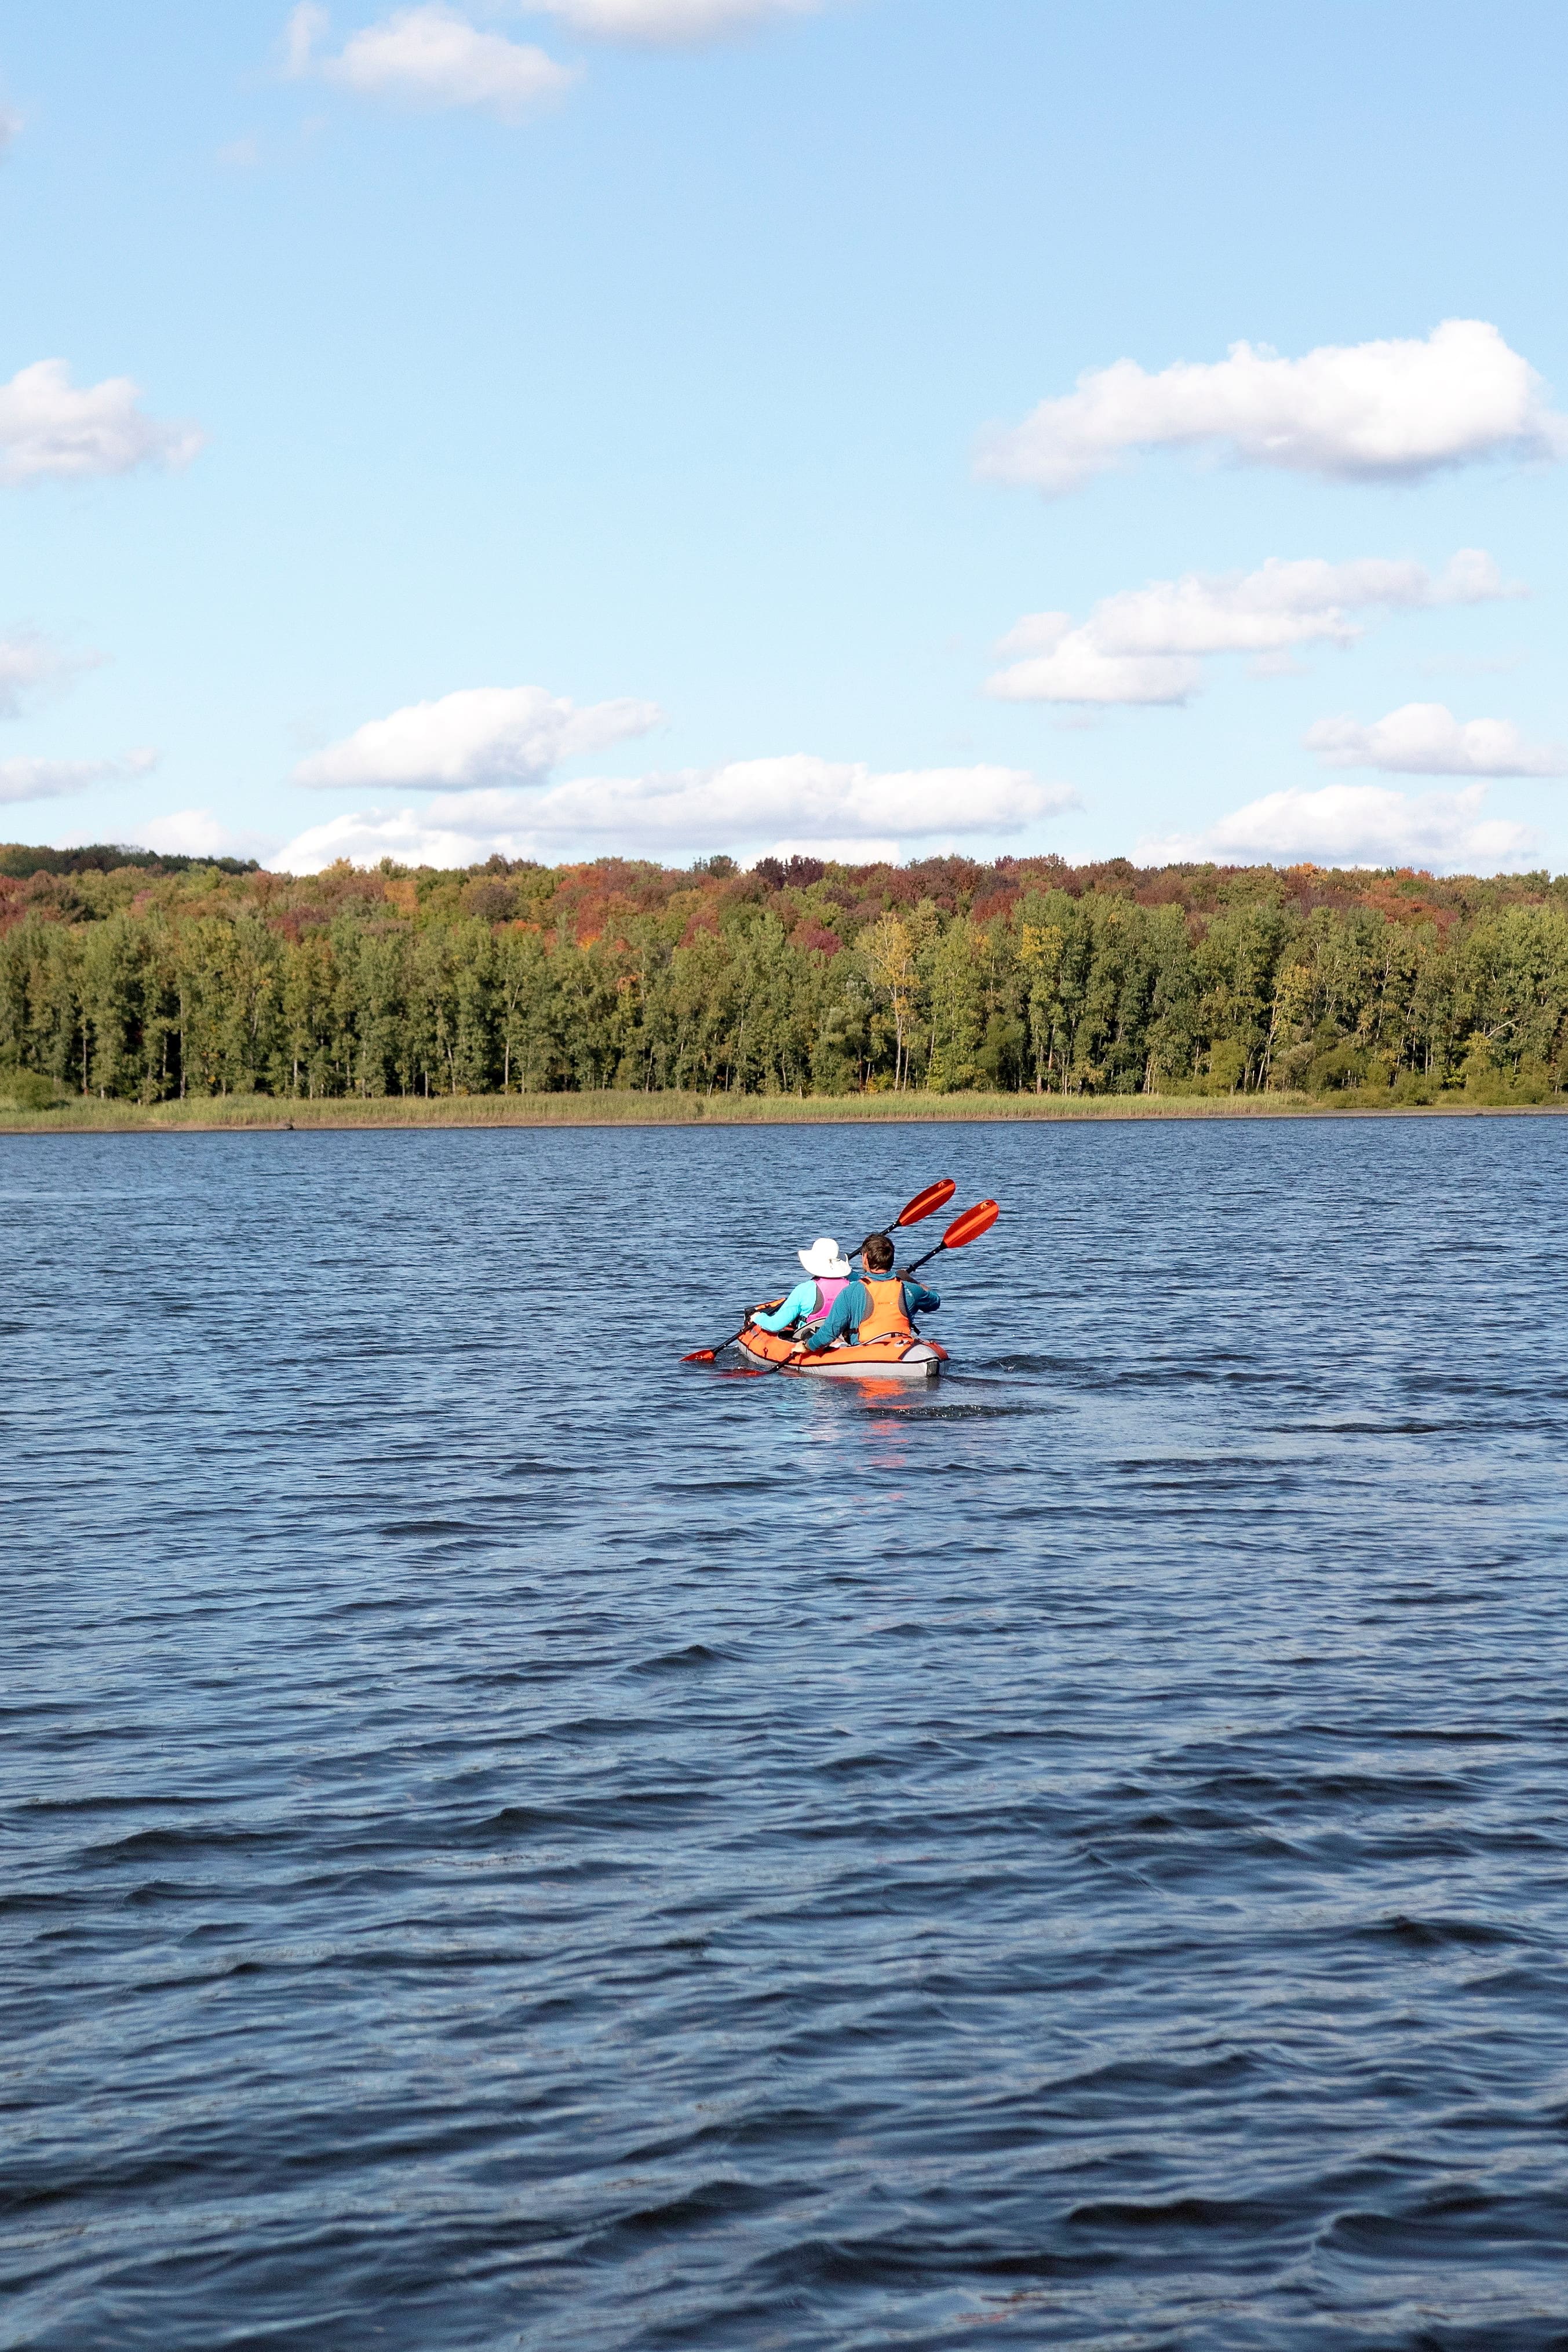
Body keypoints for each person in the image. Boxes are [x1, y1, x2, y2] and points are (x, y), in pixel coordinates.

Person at [804, 1232, 940, 1354]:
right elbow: (935, 1302)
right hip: (901, 1348)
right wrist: (912, 1281)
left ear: (865, 1258)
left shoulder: (851, 1291)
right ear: (891, 1259)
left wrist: (806, 1346)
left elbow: (828, 1334)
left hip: (865, 1351)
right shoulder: (910, 1289)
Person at [749, 1238, 854, 1337]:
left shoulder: (805, 1290)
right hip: (844, 1333)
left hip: (811, 1337)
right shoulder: (853, 1284)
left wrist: (758, 1317)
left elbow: (775, 1325)